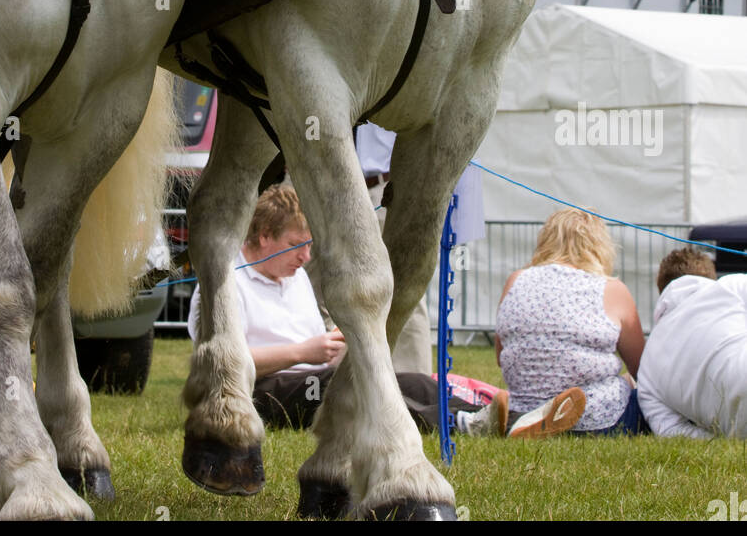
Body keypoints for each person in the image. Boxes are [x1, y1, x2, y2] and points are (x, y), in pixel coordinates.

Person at [188, 185, 585, 438]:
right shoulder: (224, 284)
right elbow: (218, 364)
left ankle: (513, 419)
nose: (307, 256)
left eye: (310, 245)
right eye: (297, 245)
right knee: (361, 388)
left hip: (311, 375)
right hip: (261, 392)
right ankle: (459, 424)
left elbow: (319, 343)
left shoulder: (292, 280)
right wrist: (304, 353)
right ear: (263, 237)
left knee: (410, 380)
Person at [495, 208, 645, 435]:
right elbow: (641, 368)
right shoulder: (611, 289)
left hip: (522, 412)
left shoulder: (516, 280)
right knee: (642, 394)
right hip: (595, 417)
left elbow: (500, 355)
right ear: (600, 245)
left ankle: (535, 421)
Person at [636, 246, 747, 439]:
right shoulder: (730, 287)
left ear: (661, 290)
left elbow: (671, 430)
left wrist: (720, 438)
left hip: (738, 429)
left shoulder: (647, 367)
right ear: (710, 278)